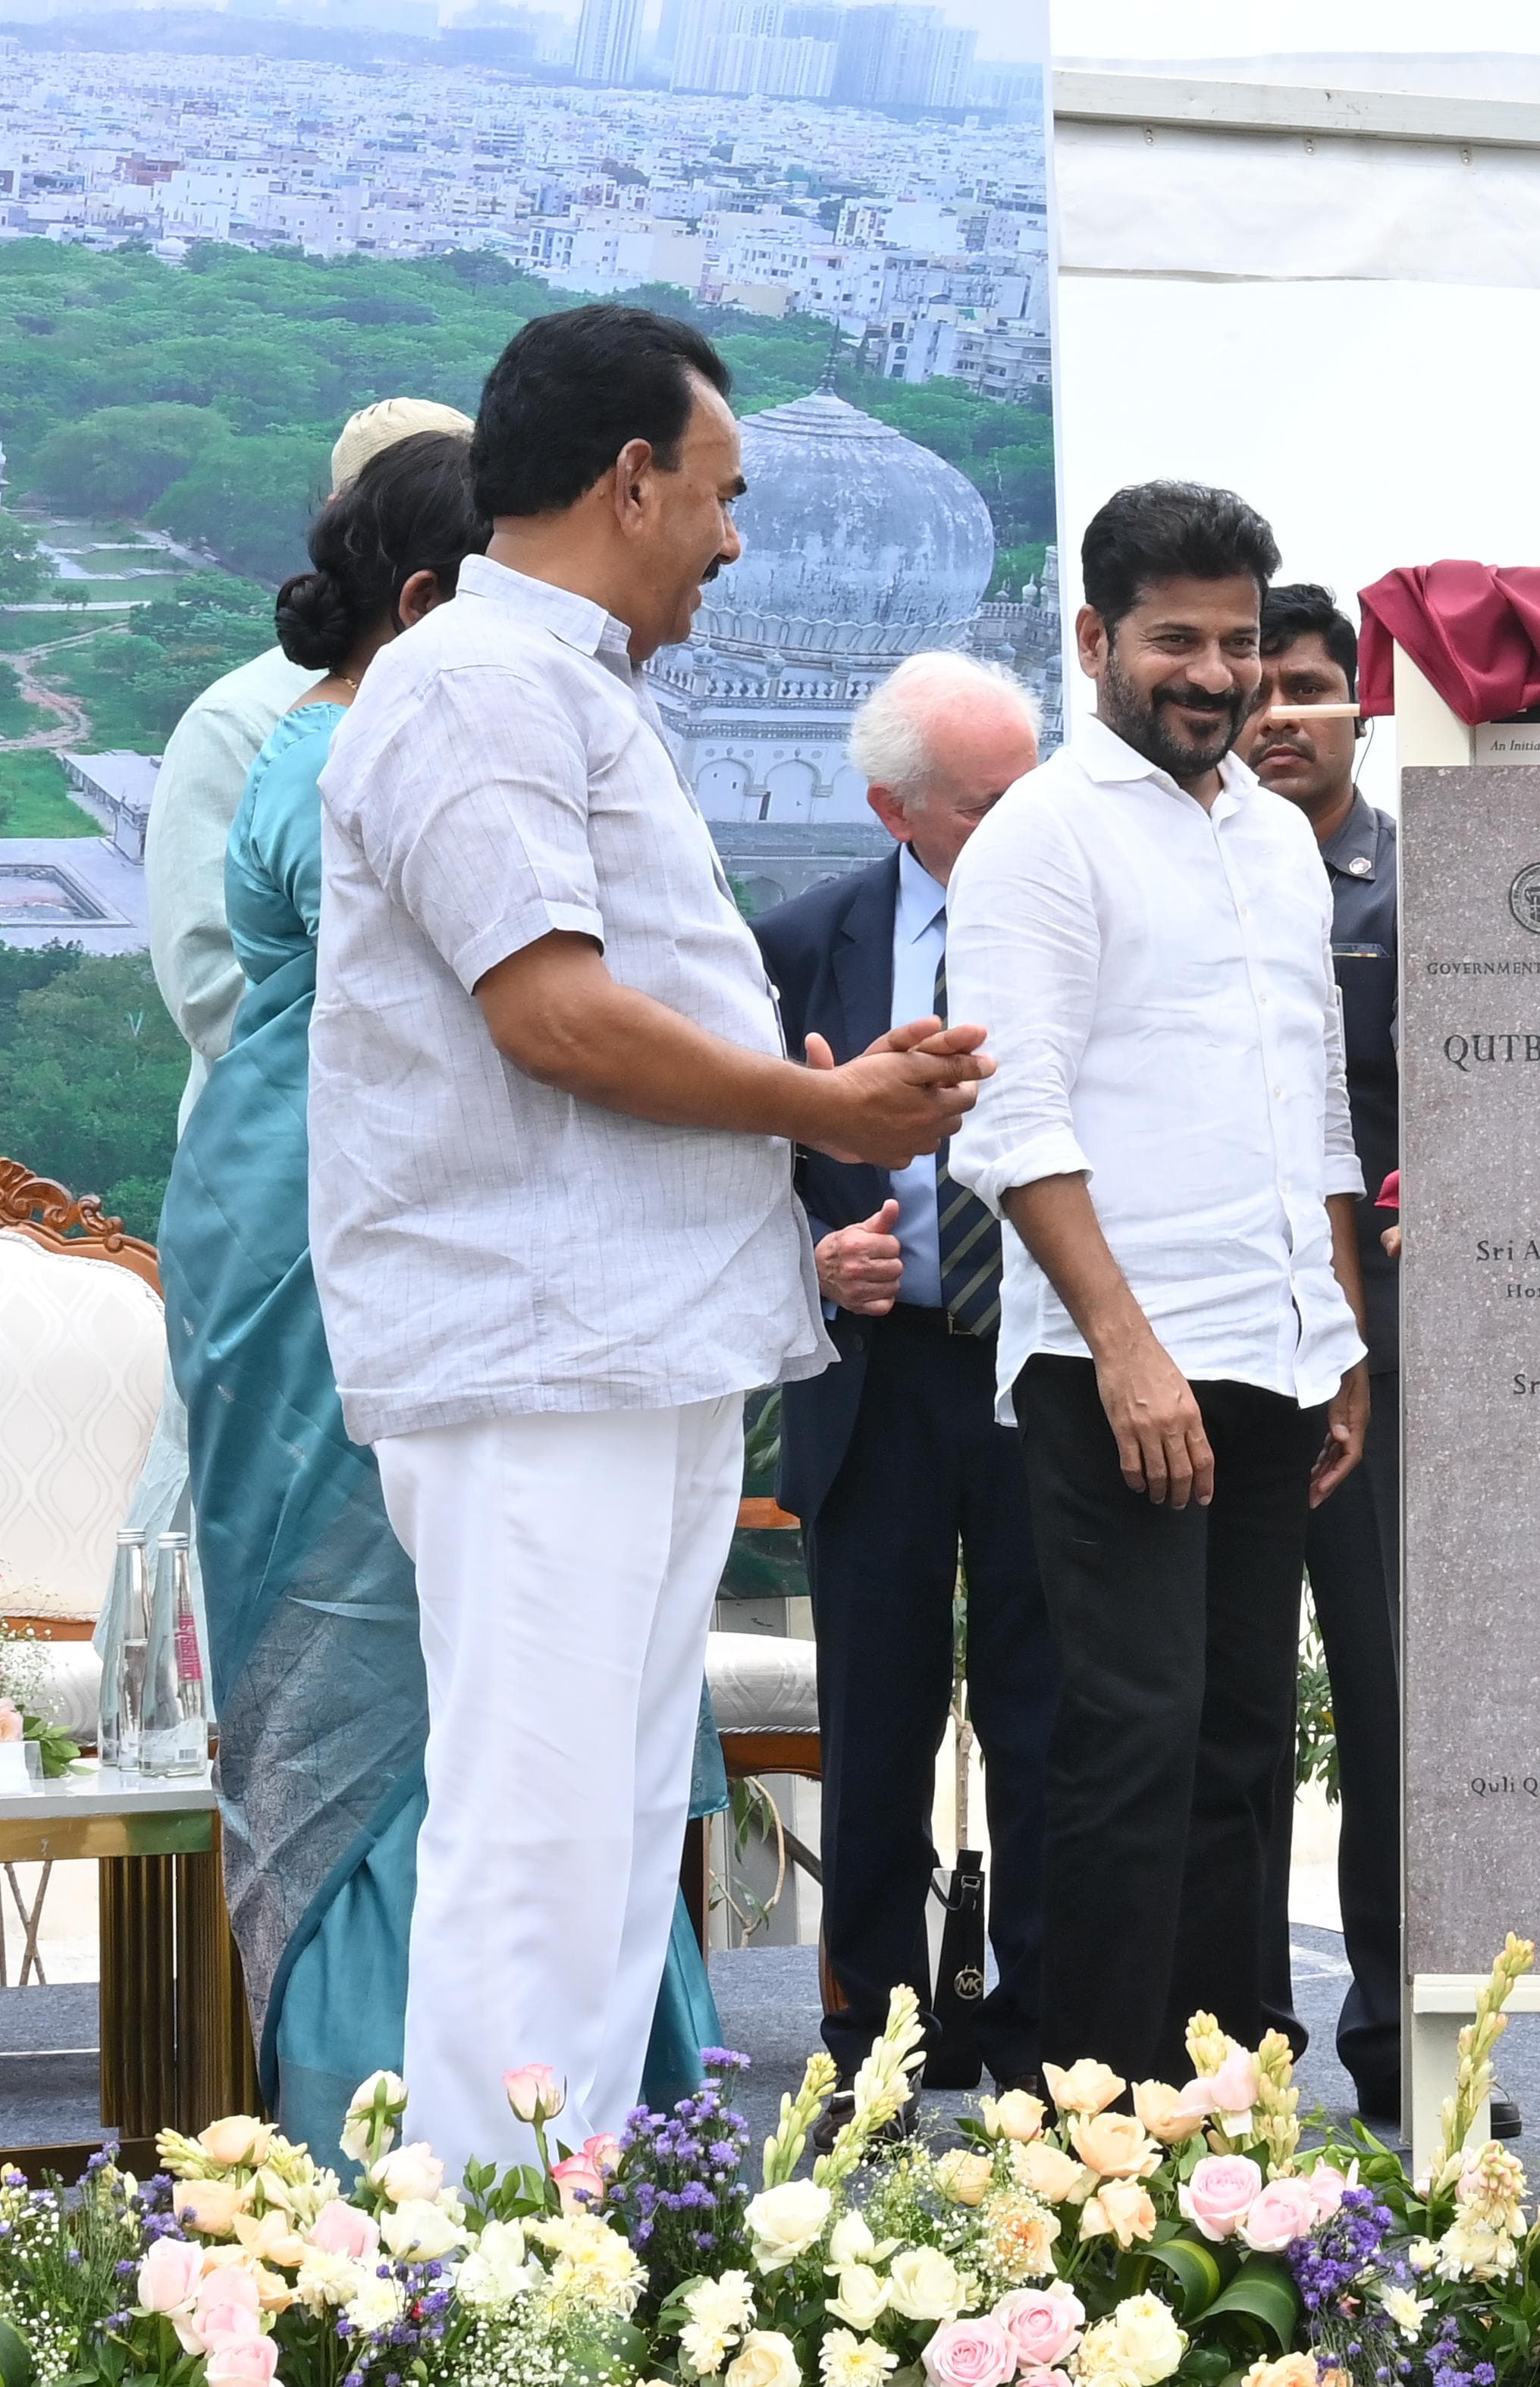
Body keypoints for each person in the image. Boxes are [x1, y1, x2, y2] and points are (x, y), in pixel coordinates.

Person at [307, 303, 992, 2167]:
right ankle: (467, 2287)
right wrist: (825, 1109)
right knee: (536, 1837)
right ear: (631, 481)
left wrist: (827, 1085)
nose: (736, 536)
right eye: (719, 492)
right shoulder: (469, 684)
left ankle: (572, 2250)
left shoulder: (568, 685)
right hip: (540, 1347)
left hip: (637, 1338)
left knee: (612, 1848)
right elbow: (553, 1015)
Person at [943, 481, 1372, 2085]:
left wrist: (1336, 1335)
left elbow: (1310, 1110)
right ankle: (1096, 2118)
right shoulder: (1040, 838)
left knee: (1245, 1741)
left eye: (1240, 643)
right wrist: (1126, 1349)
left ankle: (1235, 2100)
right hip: (1116, 1364)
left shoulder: (1272, 837)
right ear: (1092, 641)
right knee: (1133, 1737)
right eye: (1174, 640)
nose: (1213, 674)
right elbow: (1013, 1114)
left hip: (1272, 1352)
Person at [750, 652, 1060, 2121]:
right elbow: (733, 1162)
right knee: (874, 1720)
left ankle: (1041, 2030)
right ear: (897, 807)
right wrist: (820, 1250)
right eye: (994, 800)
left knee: (1042, 1710)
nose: (1030, 817)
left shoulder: (1075, 922)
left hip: (1037, 1370)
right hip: (877, 1383)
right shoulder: (804, 939)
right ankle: (869, 2037)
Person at [116, 398, 471, 1559]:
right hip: (284, 1176)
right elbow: (215, 985)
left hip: (446, 1206)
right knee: (248, 1512)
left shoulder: (498, 704)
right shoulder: (254, 721)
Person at [1234, 585, 1410, 2122]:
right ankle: (1232, 2050)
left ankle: (1395, 2039)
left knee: (1387, 1704)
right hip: (1214, 1344)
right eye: (1258, 684)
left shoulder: (1420, 892)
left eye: (1308, 686)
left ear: (1361, 705)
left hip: (1382, 1357)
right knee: (1218, 1711)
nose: (1278, 711)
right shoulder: (1183, 878)